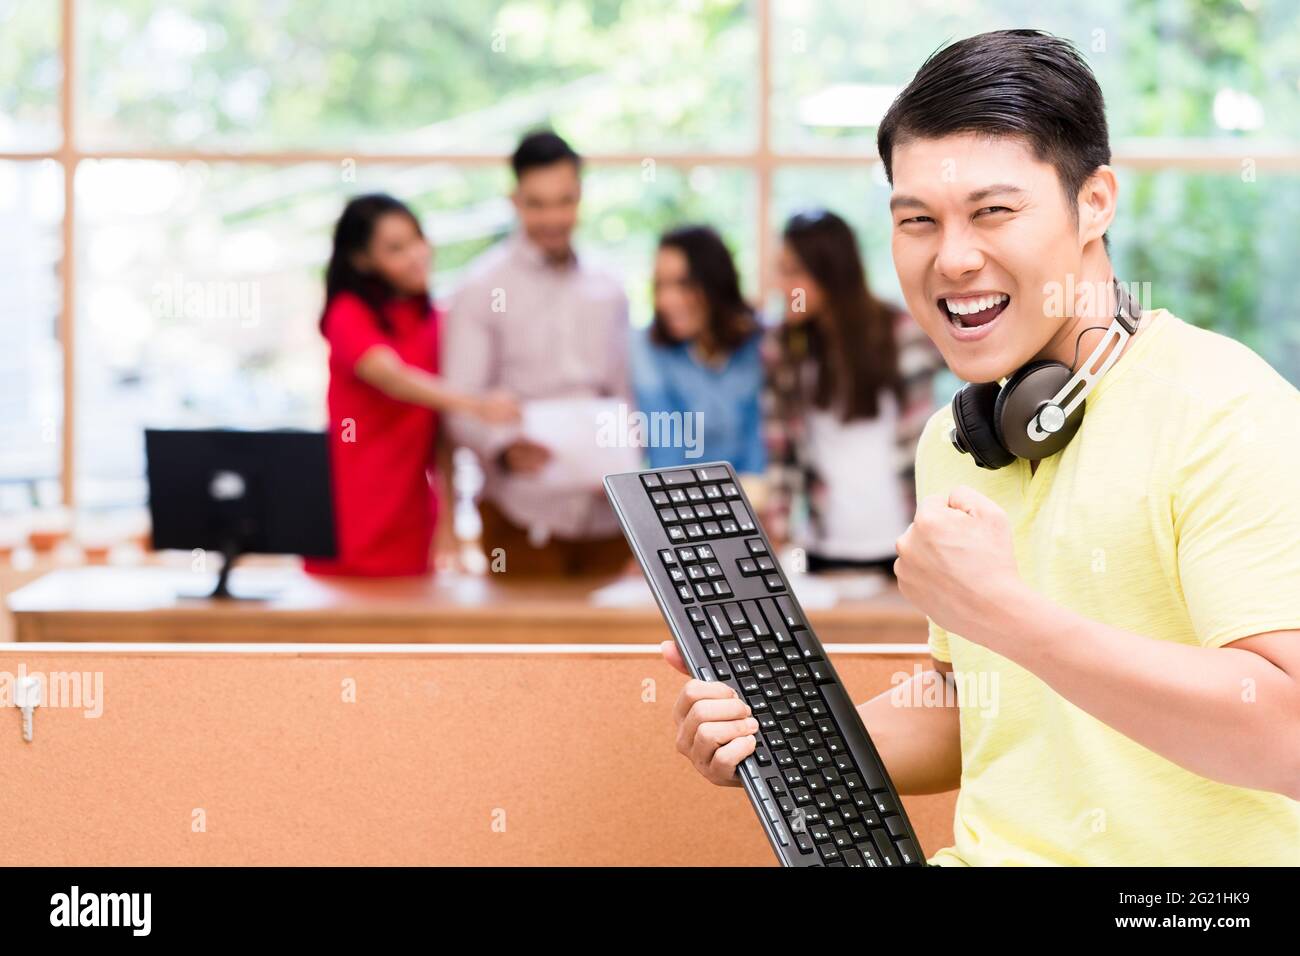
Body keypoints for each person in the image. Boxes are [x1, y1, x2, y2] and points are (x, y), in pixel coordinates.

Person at [663, 29, 1300, 866]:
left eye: (993, 211)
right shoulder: (959, 440)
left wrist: (1007, 613)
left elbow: (1286, 733)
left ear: (1095, 201)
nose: (953, 258)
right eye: (917, 221)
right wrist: (781, 736)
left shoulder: (1225, 408)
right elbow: (985, 704)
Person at [443, 130, 633, 577]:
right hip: (520, 520)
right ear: (514, 200)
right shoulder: (480, 288)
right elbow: (459, 403)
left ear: (581, 197)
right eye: (537, 203)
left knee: (620, 648)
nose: (552, 217)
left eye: (564, 201)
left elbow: (625, 393)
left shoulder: (610, 288)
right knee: (530, 647)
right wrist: (503, 449)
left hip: (608, 519)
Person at [304, 193, 518, 577]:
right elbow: (393, 378)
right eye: (396, 248)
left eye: (417, 239)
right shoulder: (347, 314)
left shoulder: (435, 321)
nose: (417, 254)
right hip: (350, 510)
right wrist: (477, 403)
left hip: (412, 517)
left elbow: (442, 435)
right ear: (361, 259)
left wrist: (450, 525)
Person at [763, 208, 943, 576]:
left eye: (792, 271)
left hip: (902, 546)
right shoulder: (783, 349)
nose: (782, 286)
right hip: (822, 547)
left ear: (830, 272)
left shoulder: (899, 333)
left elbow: (928, 441)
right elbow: (783, 454)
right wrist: (775, 535)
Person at [630, 225, 766, 476]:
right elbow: (666, 455)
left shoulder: (760, 343)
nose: (665, 301)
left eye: (683, 283)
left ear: (714, 282)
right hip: (685, 501)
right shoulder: (647, 347)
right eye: (660, 285)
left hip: (755, 499)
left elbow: (760, 443)